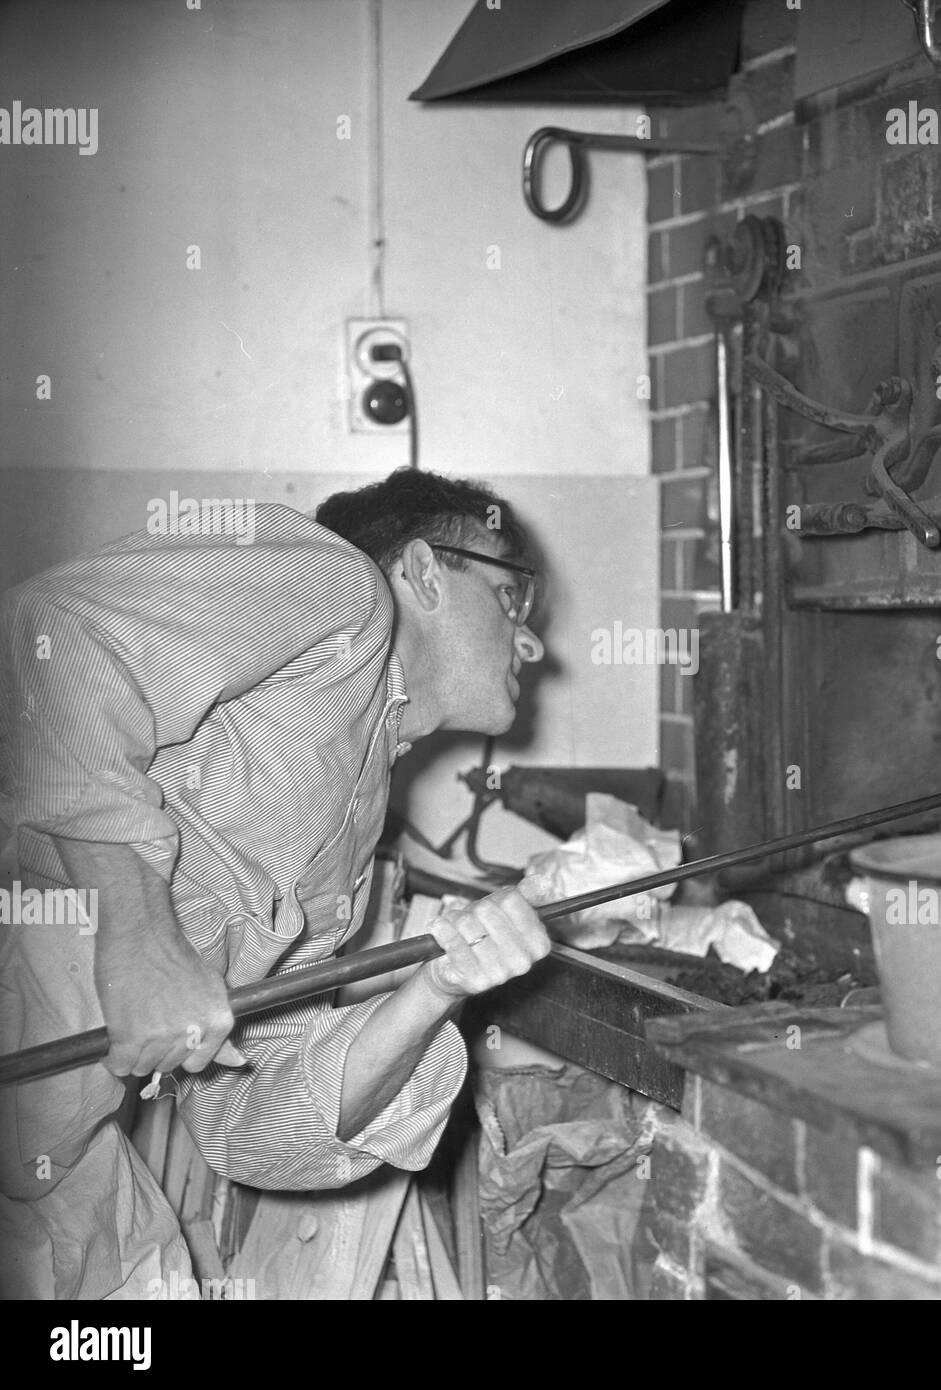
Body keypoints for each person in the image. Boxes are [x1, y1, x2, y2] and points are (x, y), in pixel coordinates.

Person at [0, 468, 550, 1299]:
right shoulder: (341, 586)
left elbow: (244, 1122)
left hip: (51, 1154)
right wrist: (139, 936)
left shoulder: (353, 833)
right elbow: (58, 637)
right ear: (424, 571)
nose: (533, 643)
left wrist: (433, 992)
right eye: (512, 599)